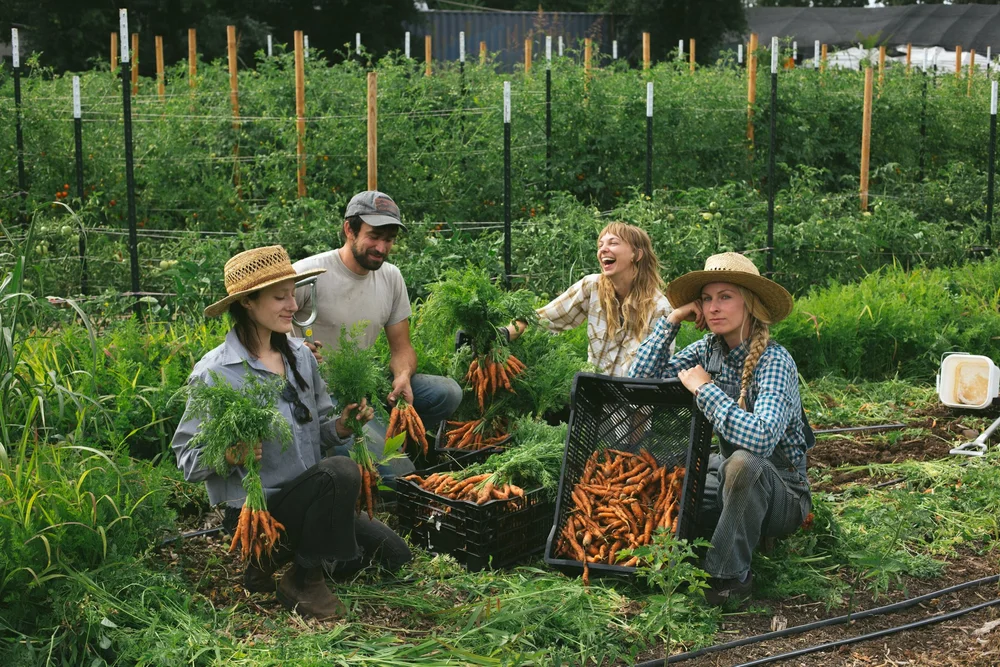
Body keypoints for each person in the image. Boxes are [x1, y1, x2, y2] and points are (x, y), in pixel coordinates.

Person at [172, 245, 412, 621]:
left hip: (312, 502)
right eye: (280, 297)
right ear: (248, 302)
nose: (292, 305)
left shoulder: (299, 356)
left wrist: (343, 426)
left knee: (394, 556)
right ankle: (302, 576)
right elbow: (186, 459)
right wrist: (230, 455)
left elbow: (318, 430)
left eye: (293, 294)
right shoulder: (215, 373)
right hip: (259, 515)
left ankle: (277, 562)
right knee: (341, 472)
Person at [628, 252, 813, 606]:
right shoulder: (707, 351)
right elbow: (639, 384)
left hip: (783, 494)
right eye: (707, 298)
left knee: (743, 463)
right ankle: (659, 552)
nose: (713, 307)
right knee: (666, 467)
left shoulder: (774, 361)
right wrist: (673, 320)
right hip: (729, 475)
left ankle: (728, 577)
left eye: (725, 297)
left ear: (750, 304)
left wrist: (704, 389)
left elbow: (761, 438)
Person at [292, 191, 462, 477]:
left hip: (365, 384)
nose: (382, 248)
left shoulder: (391, 277)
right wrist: (295, 348)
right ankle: (345, 448)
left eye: (390, 239)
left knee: (448, 394)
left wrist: (403, 376)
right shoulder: (307, 275)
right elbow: (267, 334)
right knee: (400, 477)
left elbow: (402, 349)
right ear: (349, 229)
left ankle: (391, 441)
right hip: (321, 395)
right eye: (374, 236)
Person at [505, 221, 673, 376]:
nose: (603, 250)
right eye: (600, 245)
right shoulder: (591, 286)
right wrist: (502, 335)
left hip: (634, 402)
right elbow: (543, 320)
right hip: (592, 397)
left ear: (636, 255)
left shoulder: (659, 308)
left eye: (613, 243)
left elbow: (654, 374)